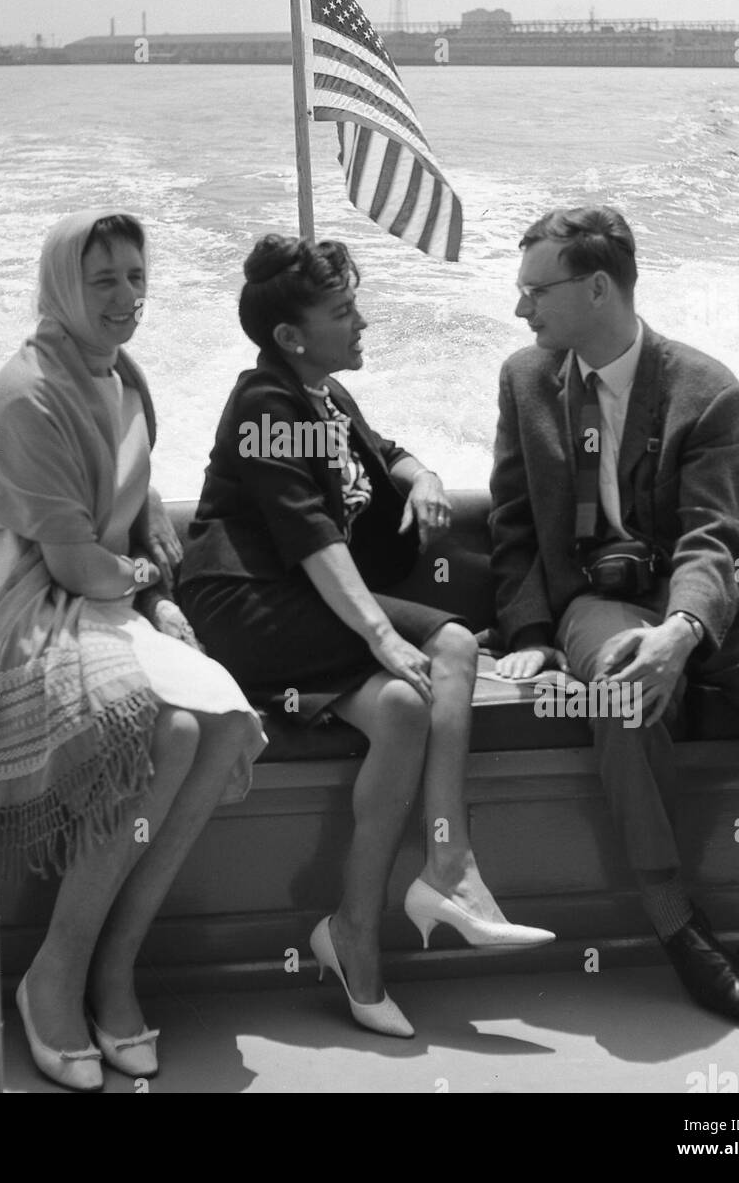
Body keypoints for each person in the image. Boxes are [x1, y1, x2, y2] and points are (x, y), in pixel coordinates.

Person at [489, 204, 739, 1043]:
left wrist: (684, 630)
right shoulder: (524, 380)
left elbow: (717, 536)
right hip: (600, 596)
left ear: (595, 287)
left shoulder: (707, 389)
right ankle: (675, 927)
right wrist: (528, 634)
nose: (521, 310)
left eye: (533, 291)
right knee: (618, 690)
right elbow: (512, 522)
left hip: (726, 590)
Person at [177, 233, 554, 1039]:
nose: (362, 324)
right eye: (342, 312)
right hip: (246, 606)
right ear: (289, 335)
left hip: (305, 606)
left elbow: (381, 453)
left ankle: (353, 929)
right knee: (448, 647)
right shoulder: (265, 408)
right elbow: (311, 536)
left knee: (402, 713)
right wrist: (384, 637)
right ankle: (449, 869)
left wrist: (421, 477)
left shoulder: (326, 399)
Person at [0, 210, 266, 1090]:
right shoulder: (26, 393)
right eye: (103, 280)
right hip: (6, 603)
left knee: (223, 721)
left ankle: (114, 966)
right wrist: (148, 593)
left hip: (88, 591)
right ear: (61, 288)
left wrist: (157, 599)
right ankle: (54, 974)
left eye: (135, 277)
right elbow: (80, 561)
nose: (125, 298)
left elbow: (136, 512)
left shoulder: (125, 380)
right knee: (163, 732)